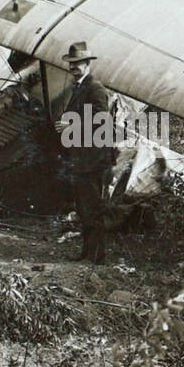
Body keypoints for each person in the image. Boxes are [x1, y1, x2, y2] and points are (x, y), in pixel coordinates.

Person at [54, 41, 116, 263]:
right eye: (71, 63)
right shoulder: (79, 88)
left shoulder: (95, 88)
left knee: (93, 208)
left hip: (94, 160)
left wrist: (71, 126)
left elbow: (101, 120)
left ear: (88, 63)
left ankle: (98, 256)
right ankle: (88, 252)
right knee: (83, 208)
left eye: (78, 63)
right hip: (82, 158)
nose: (74, 66)